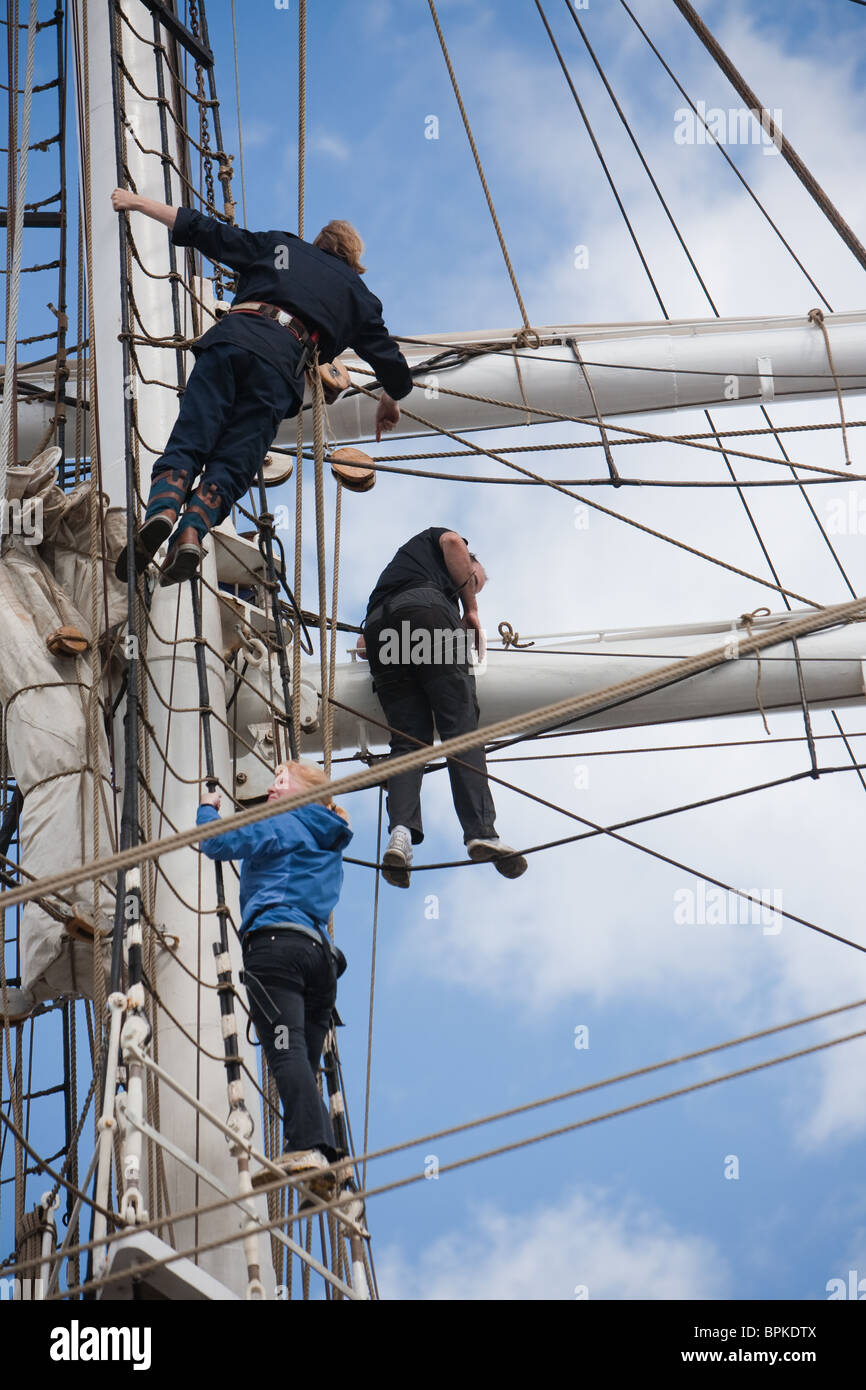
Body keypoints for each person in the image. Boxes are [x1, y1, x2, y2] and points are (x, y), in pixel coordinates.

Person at [111, 189, 414, 585]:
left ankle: (164, 510)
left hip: (234, 340)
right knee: (235, 460)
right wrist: (389, 401)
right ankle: (190, 531)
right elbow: (394, 367)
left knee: (193, 435)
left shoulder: (280, 247)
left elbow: (206, 232)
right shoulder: (358, 296)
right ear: (355, 261)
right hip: (278, 370)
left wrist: (136, 202)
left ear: (319, 243)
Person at [196, 761, 352, 1194]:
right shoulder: (327, 837)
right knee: (300, 1060)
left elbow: (217, 842)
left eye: (282, 781)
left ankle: (305, 1148)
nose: (271, 788)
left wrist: (208, 809)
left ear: (306, 791)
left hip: (276, 950)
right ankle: (328, 1159)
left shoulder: (285, 820)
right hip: (320, 962)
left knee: (286, 1054)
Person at [361, 527, 527, 887]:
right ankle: (481, 831)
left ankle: (400, 835)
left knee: (408, 741)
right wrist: (471, 609)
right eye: (472, 578)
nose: (470, 584)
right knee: (459, 728)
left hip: (380, 632)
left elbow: (362, 646)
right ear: (470, 562)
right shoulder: (445, 544)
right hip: (429, 617)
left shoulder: (399, 569)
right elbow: (453, 543)